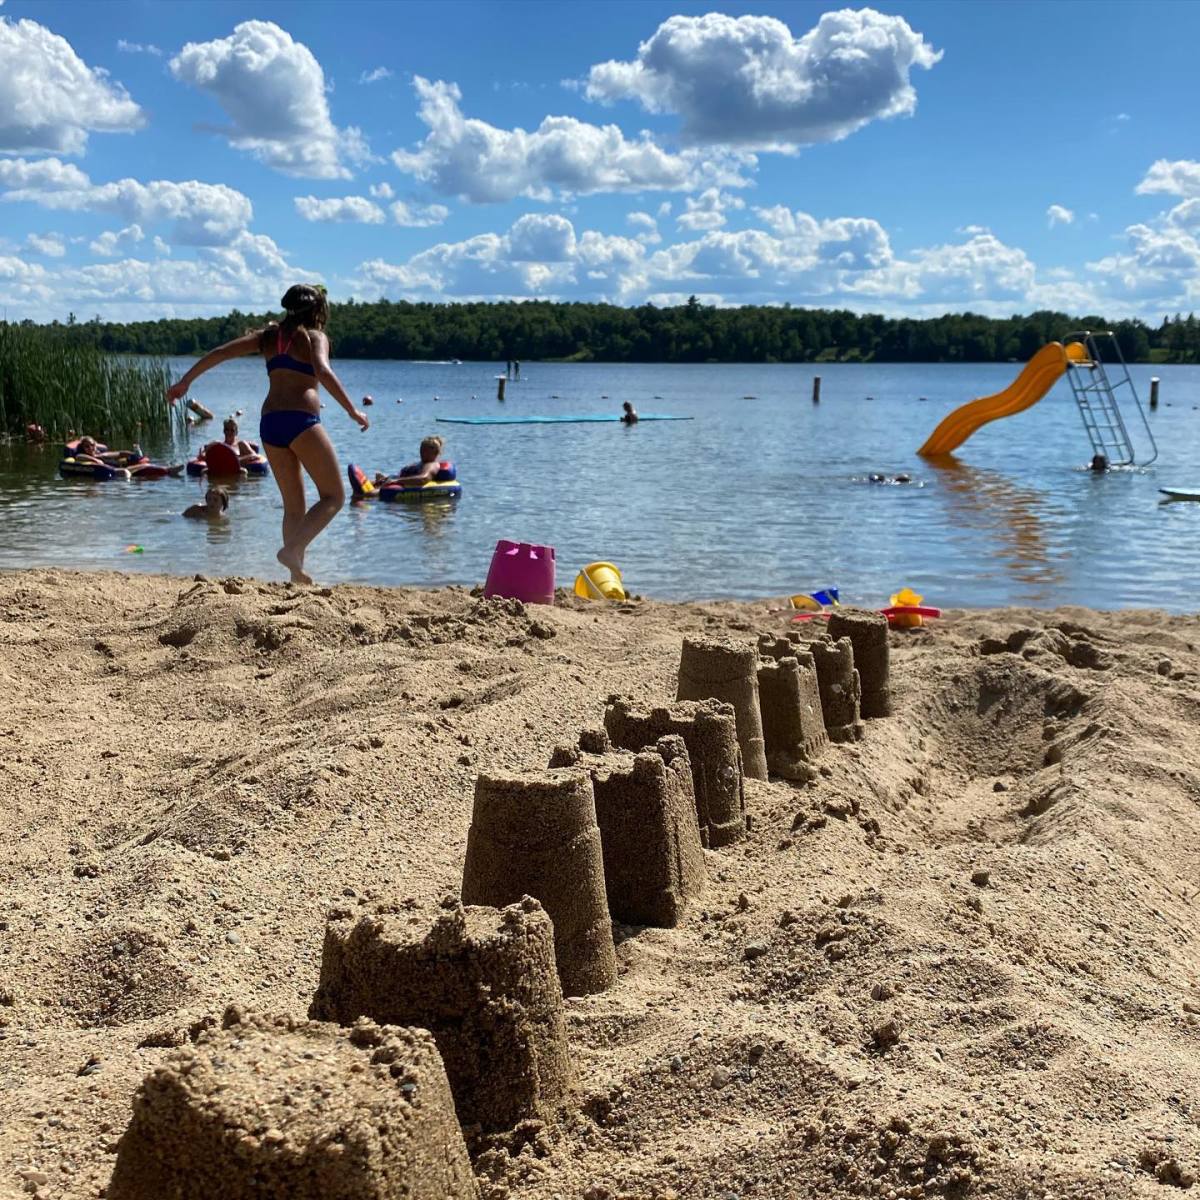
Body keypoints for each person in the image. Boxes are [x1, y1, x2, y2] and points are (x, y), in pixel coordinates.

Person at [165, 284, 369, 584]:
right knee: (334, 496)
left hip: (270, 423)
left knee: (294, 505)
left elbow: (221, 353)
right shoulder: (315, 337)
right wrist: (353, 411)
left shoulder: (269, 337)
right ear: (318, 309)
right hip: (301, 420)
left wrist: (186, 381)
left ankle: (295, 574)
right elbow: (323, 372)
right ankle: (294, 550)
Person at [363, 436, 446, 493]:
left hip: (400, 485)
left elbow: (423, 478)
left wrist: (396, 481)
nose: (421, 453)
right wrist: (388, 478)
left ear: (435, 453)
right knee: (365, 484)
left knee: (367, 494)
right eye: (421, 450)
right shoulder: (423, 462)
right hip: (396, 479)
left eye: (425, 451)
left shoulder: (431, 465)